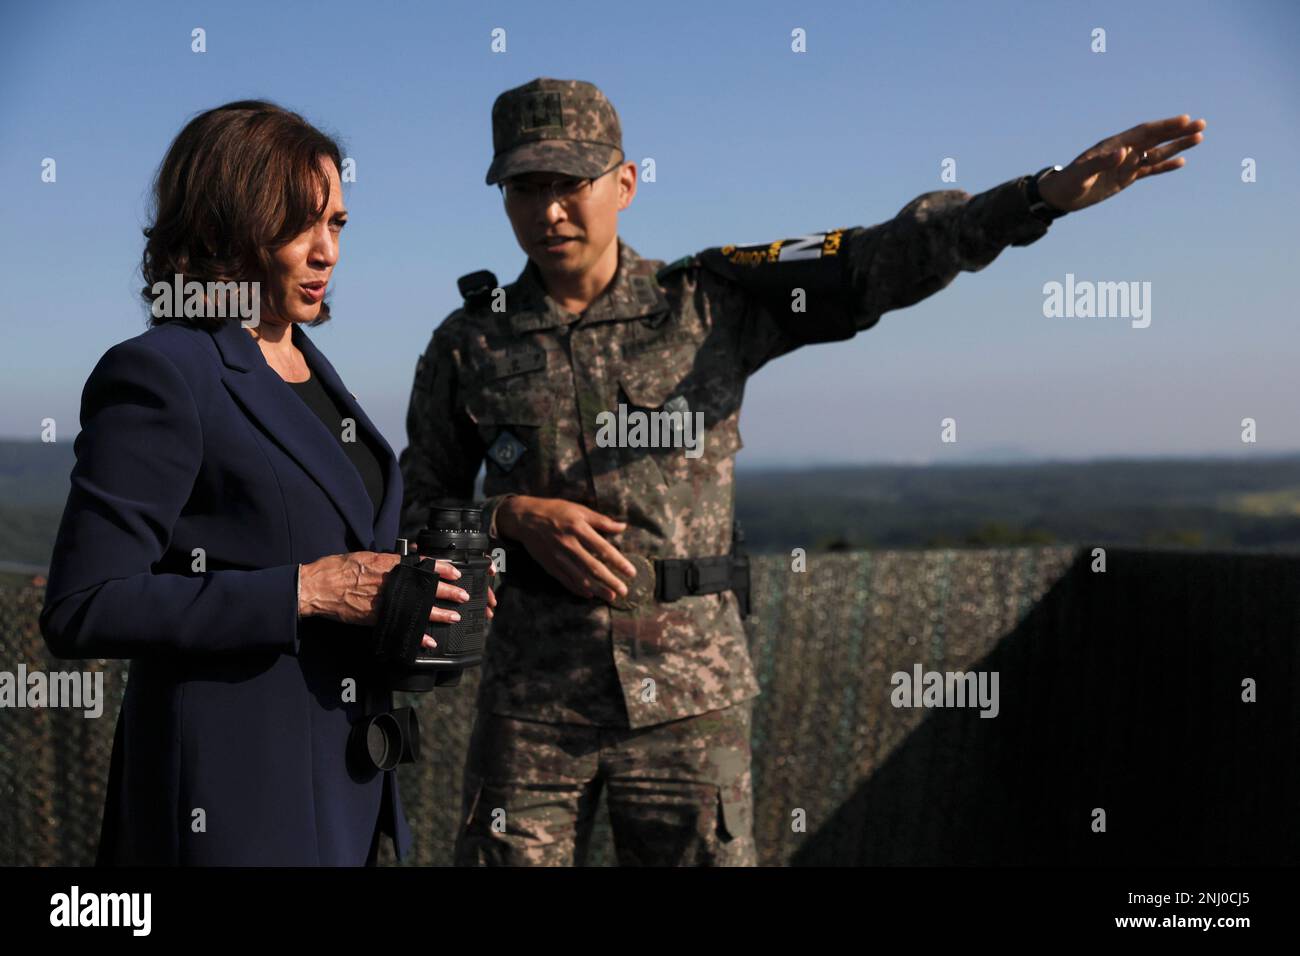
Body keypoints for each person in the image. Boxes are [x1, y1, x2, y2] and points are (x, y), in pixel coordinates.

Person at [399, 77, 1205, 865]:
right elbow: (415, 509)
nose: (548, 211)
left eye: (570, 183)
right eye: (523, 188)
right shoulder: (470, 341)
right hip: (532, 704)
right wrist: (507, 519)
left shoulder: (709, 303)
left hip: (691, 697)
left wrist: (1040, 198)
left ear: (626, 183)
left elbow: (876, 263)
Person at [39, 100, 492, 866]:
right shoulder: (164, 372)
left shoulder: (309, 366)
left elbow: (334, 551)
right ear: (226, 224)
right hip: (233, 805)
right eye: (298, 225)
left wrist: (421, 596)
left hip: (350, 795)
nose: (326, 252)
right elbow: (82, 606)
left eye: (338, 224)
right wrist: (305, 591)